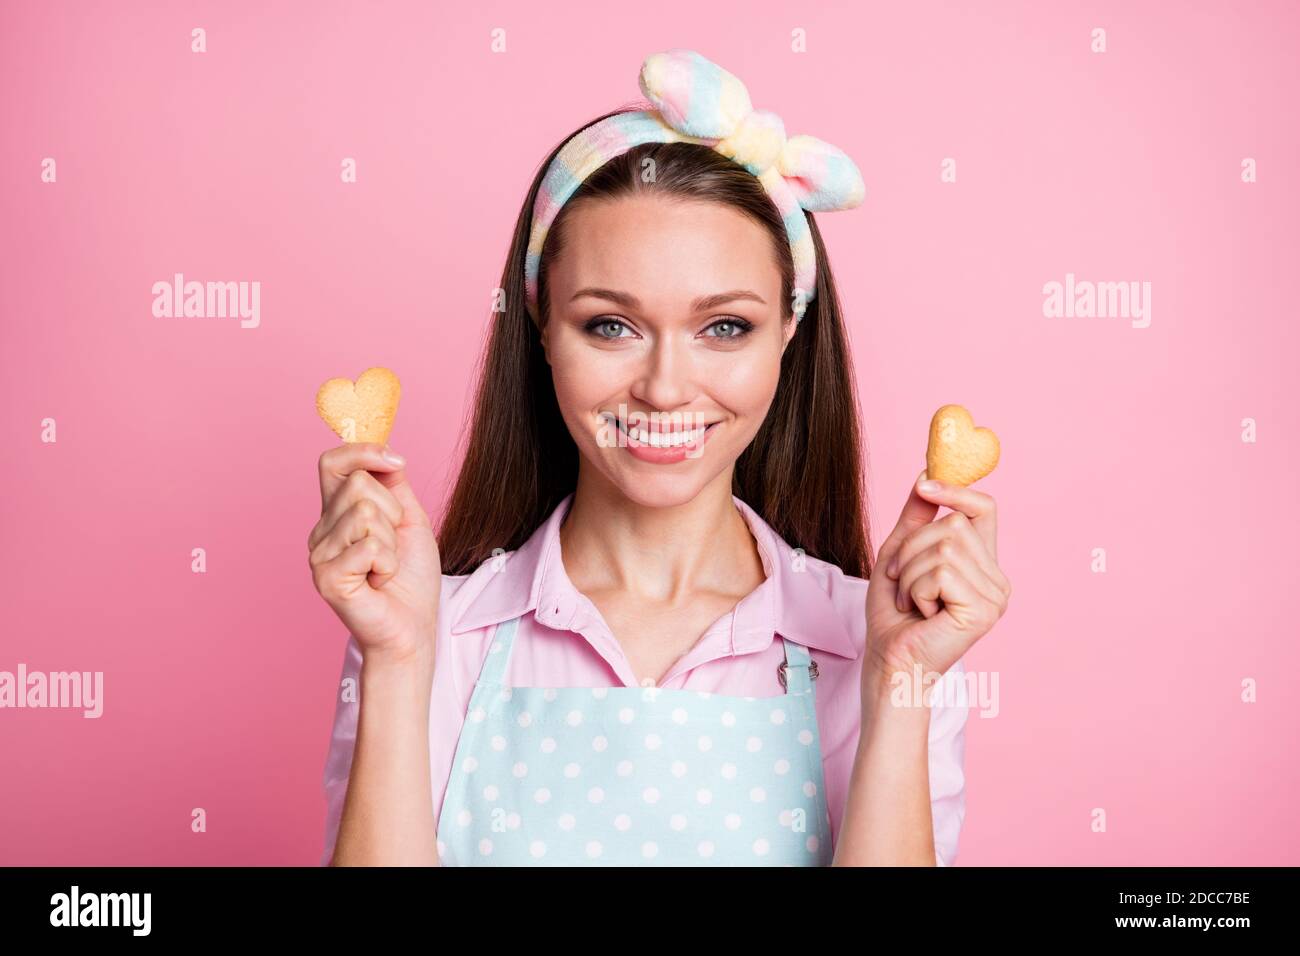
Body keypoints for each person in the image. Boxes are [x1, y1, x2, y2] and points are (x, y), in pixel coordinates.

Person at [309, 48, 1011, 867]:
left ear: (790, 332)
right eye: (611, 325)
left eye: (725, 327)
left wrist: (899, 681)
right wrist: (396, 662)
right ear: (541, 329)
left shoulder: (881, 644)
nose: (666, 389)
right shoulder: (427, 633)